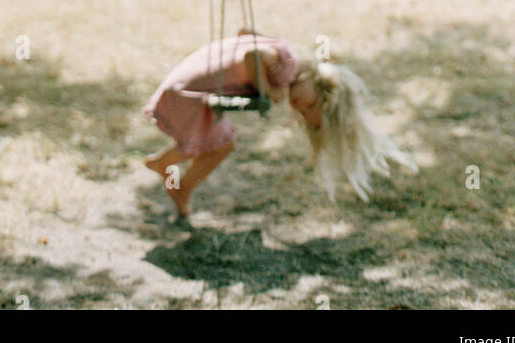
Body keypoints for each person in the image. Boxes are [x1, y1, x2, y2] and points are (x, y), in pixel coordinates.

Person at [143, 29, 416, 216]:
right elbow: (252, 56)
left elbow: (244, 33)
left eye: (305, 115)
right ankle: (177, 181)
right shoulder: (287, 67)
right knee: (219, 145)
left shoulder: (285, 56)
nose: (299, 107)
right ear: (318, 83)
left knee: (213, 142)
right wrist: (267, 90)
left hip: (187, 86)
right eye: (311, 105)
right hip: (188, 93)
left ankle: (164, 167)